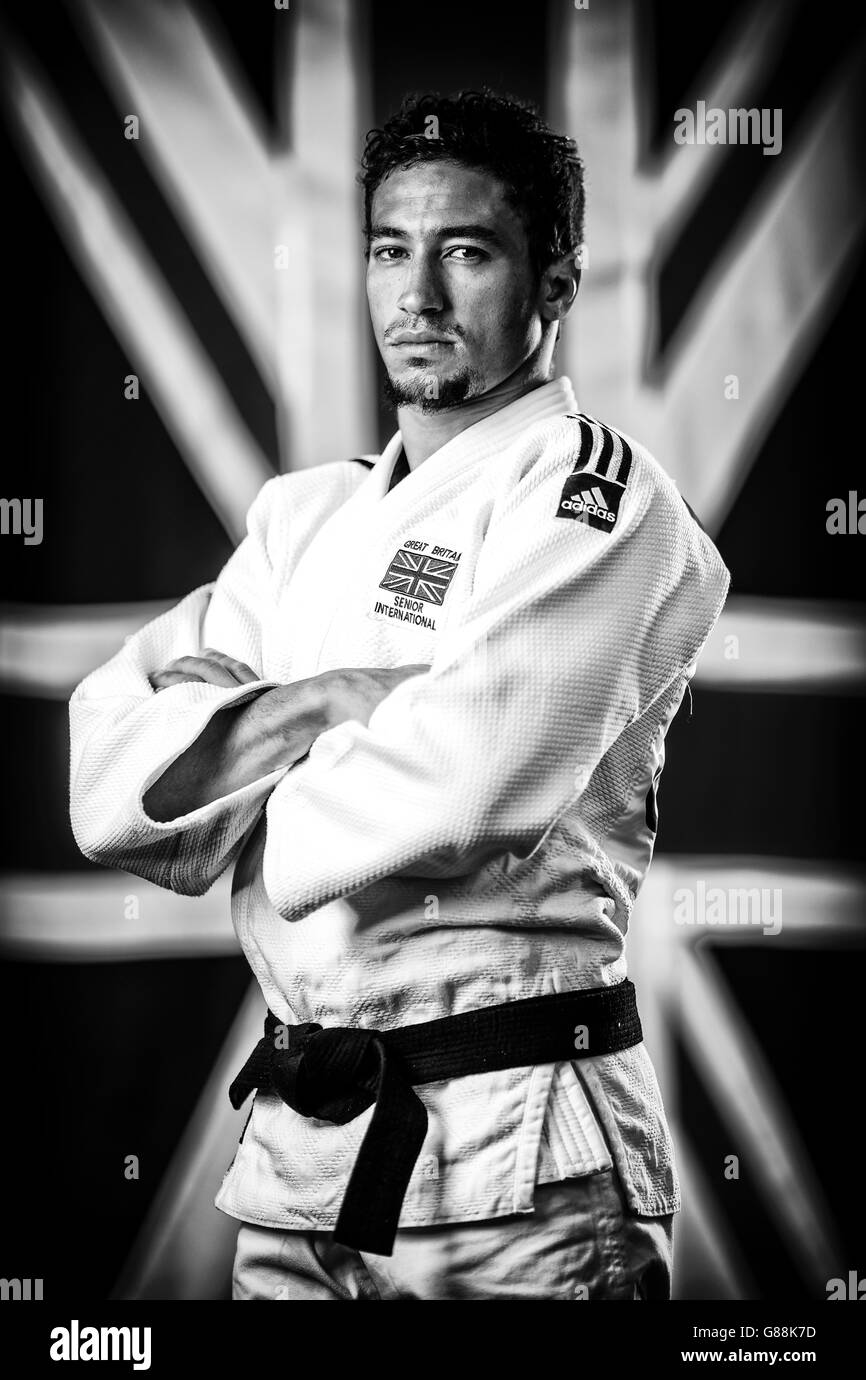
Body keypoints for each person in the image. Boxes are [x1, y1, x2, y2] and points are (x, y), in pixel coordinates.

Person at [68, 89, 730, 1301]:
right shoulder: (299, 516)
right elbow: (113, 786)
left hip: (519, 1151)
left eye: (466, 252)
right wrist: (339, 699)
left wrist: (242, 765)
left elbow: (467, 784)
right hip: (298, 1154)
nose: (414, 297)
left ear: (558, 284)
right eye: (388, 250)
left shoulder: (598, 499)